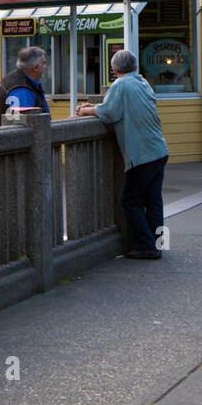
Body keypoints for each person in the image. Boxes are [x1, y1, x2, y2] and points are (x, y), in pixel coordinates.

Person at [76, 50, 169, 260]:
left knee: (129, 200)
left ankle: (146, 246)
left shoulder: (120, 85)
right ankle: (160, 243)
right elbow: (114, 107)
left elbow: (109, 113)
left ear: (114, 69)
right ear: (135, 67)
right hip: (159, 149)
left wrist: (86, 111)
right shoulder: (142, 82)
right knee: (154, 200)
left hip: (141, 153)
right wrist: (96, 107)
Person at [0, 45, 50, 126]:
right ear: (35, 68)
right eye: (44, 63)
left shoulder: (12, 80)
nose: (45, 67)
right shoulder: (21, 90)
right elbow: (23, 126)